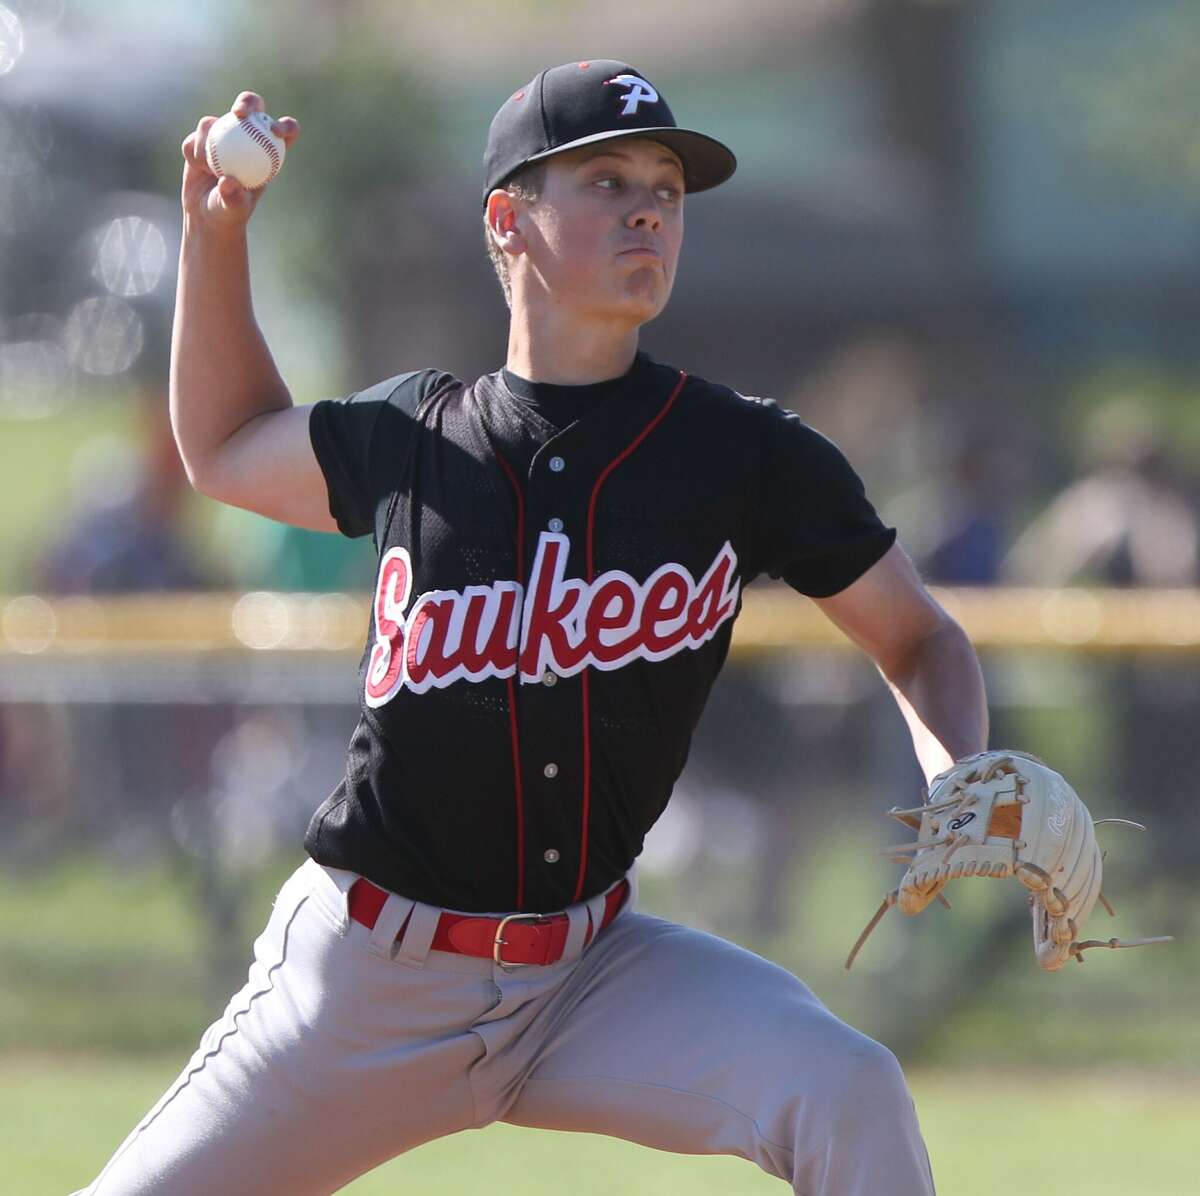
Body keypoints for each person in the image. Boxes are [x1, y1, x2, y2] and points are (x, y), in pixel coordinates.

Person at [77, 62, 988, 1195]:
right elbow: (224, 441)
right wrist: (215, 231)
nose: (650, 205)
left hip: (593, 974)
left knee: (845, 1084)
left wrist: (961, 770)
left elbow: (920, 638)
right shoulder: (418, 435)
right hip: (365, 981)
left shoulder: (744, 455)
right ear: (509, 219)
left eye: (667, 184)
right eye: (607, 180)